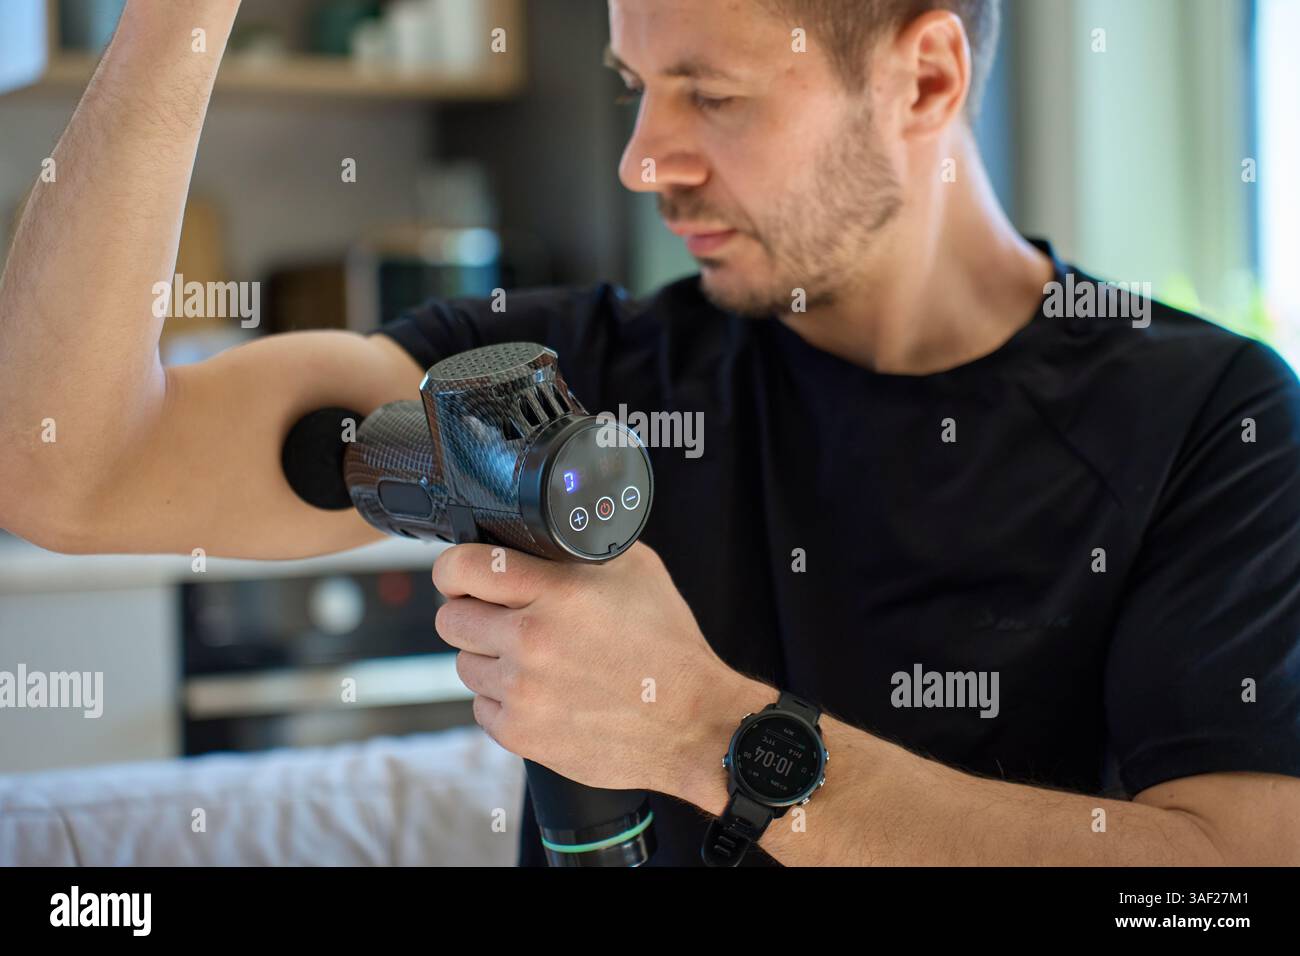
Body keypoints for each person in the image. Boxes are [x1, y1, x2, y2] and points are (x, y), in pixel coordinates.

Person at [2, 0, 1298, 866]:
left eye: (710, 96)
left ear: (925, 77)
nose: (641, 158)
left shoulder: (1210, 421)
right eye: (634, 87)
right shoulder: (551, 384)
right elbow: (66, 472)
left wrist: (703, 732)